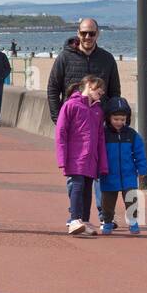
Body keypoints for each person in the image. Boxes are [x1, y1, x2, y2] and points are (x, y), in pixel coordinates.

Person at [55, 75, 108, 235]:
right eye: (99, 88)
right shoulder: (71, 105)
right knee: (77, 186)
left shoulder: (98, 110)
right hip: (75, 155)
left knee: (86, 189)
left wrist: (102, 163)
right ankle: (74, 219)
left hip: (91, 158)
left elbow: (100, 138)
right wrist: (62, 157)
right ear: (89, 85)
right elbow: (61, 132)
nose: (102, 92)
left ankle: (84, 220)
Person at [47, 18, 121, 124]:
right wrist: (58, 119)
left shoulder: (107, 59)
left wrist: (109, 119)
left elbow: (114, 92)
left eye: (91, 33)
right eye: (83, 33)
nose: (87, 37)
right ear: (78, 33)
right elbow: (53, 89)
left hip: (99, 124)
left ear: (97, 34)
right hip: (72, 122)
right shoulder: (64, 57)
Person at [97, 97, 147, 235]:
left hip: (129, 175)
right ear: (108, 118)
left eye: (122, 119)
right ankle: (107, 221)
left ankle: (133, 221)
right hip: (108, 175)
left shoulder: (132, 135)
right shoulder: (103, 134)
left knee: (131, 200)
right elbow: (98, 154)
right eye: (116, 119)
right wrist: (97, 170)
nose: (119, 122)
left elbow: (139, 153)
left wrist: (142, 169)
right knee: (107, 203)